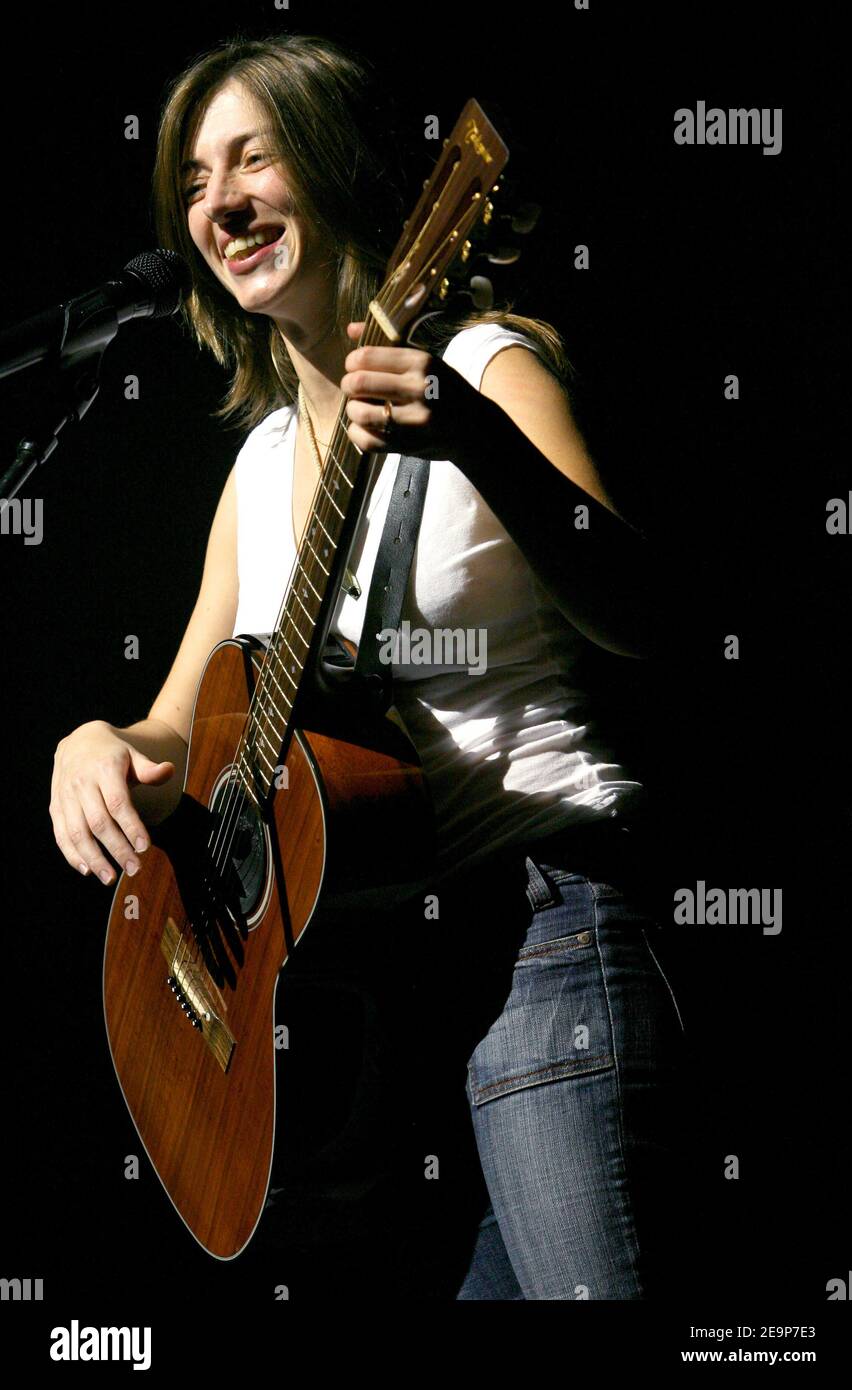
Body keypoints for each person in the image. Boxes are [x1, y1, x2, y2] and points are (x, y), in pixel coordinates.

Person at [49, 33, 688, 1298]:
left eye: (253, 157)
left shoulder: (485, 368)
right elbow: (178, 736)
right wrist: (98, 747)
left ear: (334, 164)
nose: (217, 201)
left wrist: (486, 450)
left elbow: (648, 614)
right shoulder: (261, 462)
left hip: (549, 929)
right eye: (190, 179)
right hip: (404, 988)